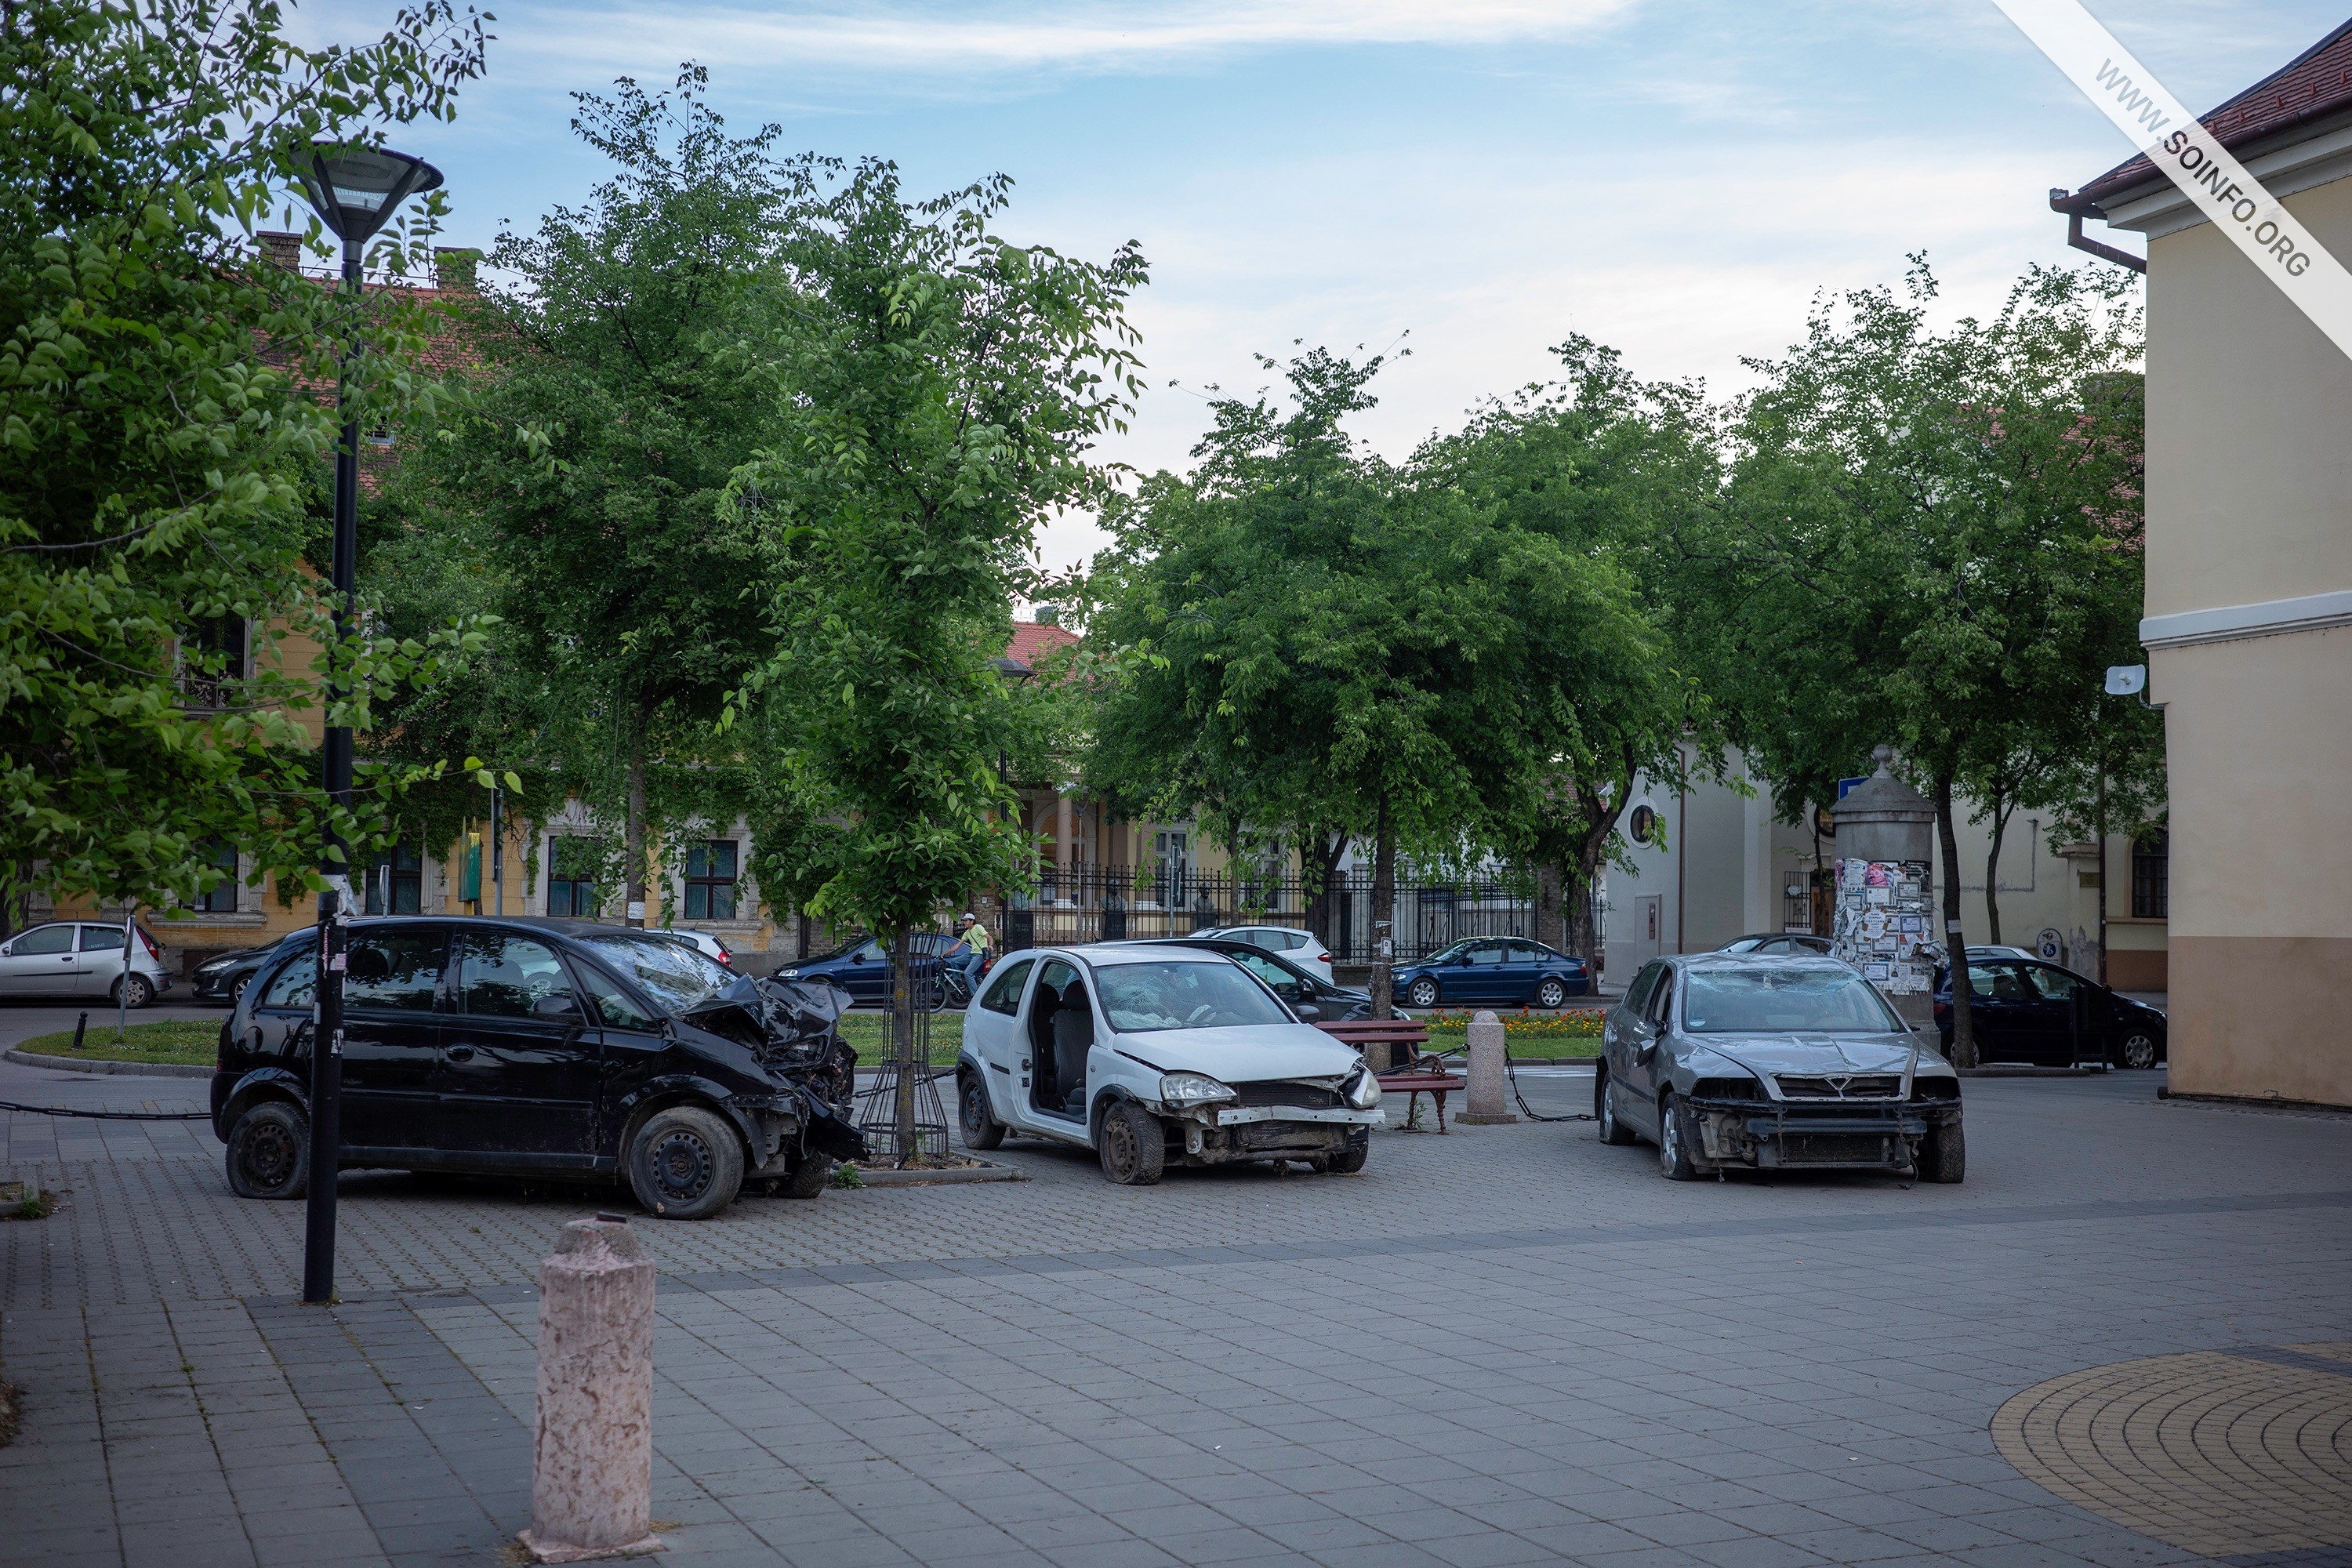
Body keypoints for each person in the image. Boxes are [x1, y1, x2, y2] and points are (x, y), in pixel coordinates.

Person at [953, 912, 992, 993]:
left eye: (966, 921)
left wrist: (990, 945)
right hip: (972, 954)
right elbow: (958, 945)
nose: (964, 923)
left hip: (979, 954)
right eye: (964, 921)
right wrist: (945, 954)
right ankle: (958, 982)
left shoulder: (978, 927)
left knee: (968, 973)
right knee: (954, 961)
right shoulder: (967, 932)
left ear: (972, 921)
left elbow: (989, 937)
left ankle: (975, 995)